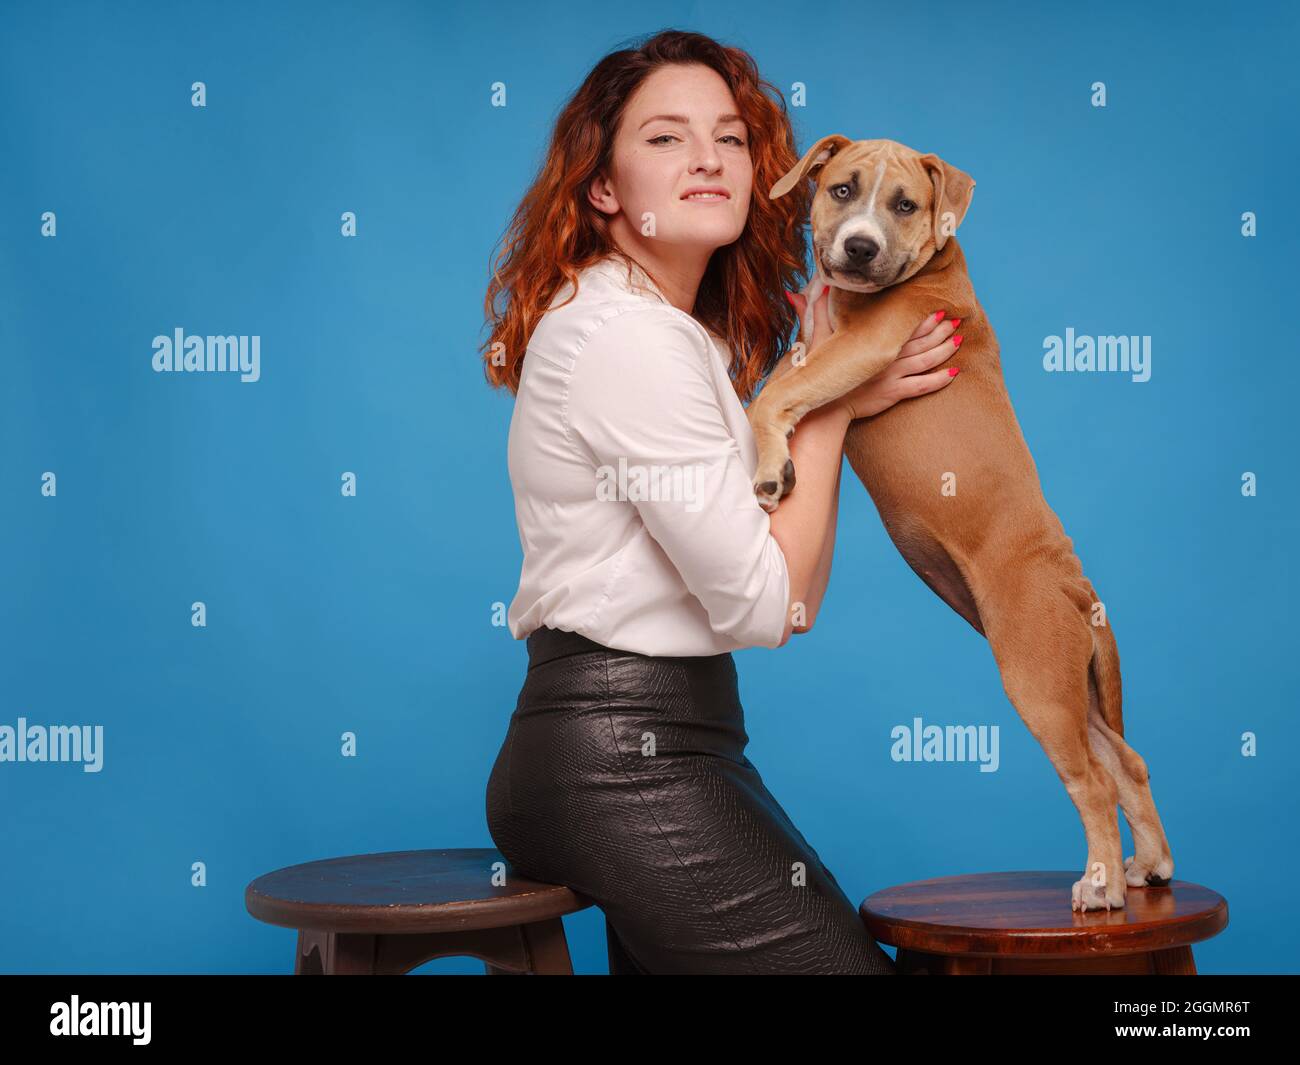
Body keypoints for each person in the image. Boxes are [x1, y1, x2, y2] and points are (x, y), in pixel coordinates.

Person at [479, 29, 960, 974]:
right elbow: (763, 601)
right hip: (623, 760)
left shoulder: (667, 334)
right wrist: (827, 401)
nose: (707, 157)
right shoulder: (627, 336)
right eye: (665, 138)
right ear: (602, 186)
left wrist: (821, 393)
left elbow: (789, 592)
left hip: (666, 745)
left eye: (731, 138)